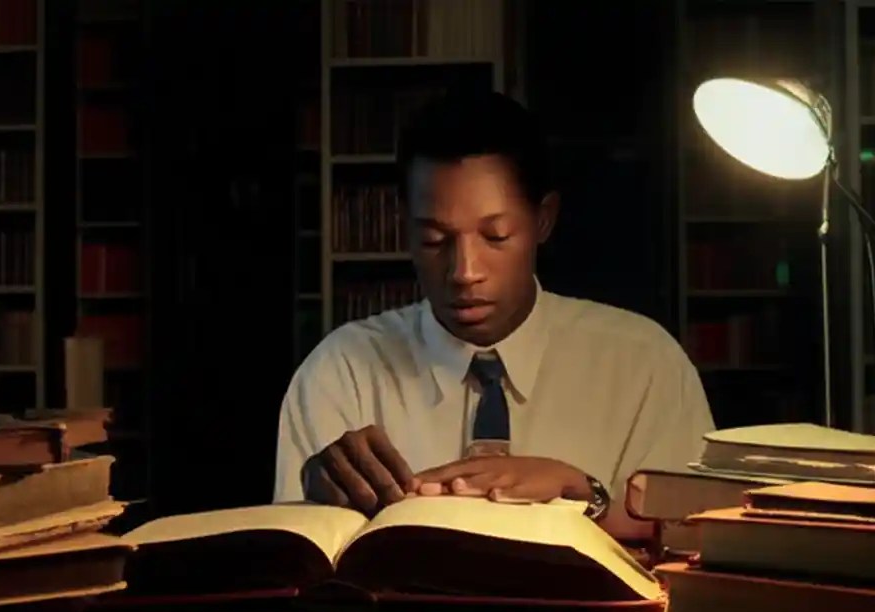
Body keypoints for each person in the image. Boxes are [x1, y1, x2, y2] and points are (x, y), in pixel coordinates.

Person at [274, 90, 714, 538]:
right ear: (403, 226)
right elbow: (298, 566)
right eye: (433, 240)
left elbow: (700, 538)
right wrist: (314, 505)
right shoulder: (342, 372)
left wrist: (589, 497)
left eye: (496, 236)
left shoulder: (644, 364)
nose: (464, 272)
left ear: (543, 220)